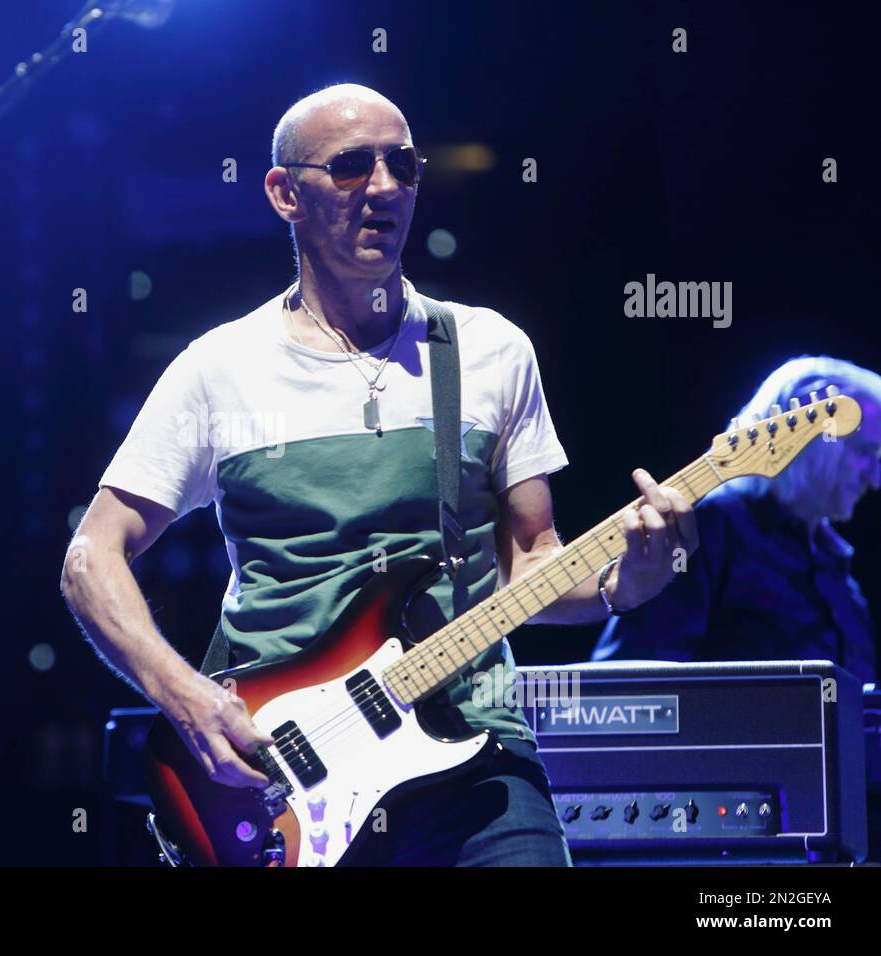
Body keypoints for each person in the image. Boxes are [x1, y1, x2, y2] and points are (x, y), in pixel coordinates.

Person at [61, 83, 695, 866]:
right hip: (284, 766)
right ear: (285, 192)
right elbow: (92, 557)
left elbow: (530, 564)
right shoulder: (218, 370)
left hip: (475, 742)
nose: (386, 187)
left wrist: (628, 582)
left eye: (403, 164)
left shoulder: (490, 351)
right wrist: (183, 695)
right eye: (352, 166)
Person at [594, 356, 881, 686]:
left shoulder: (838, 568)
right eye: (865, 451)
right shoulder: (711, 528)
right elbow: (627, 689)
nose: (875, 478)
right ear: (812, 435)